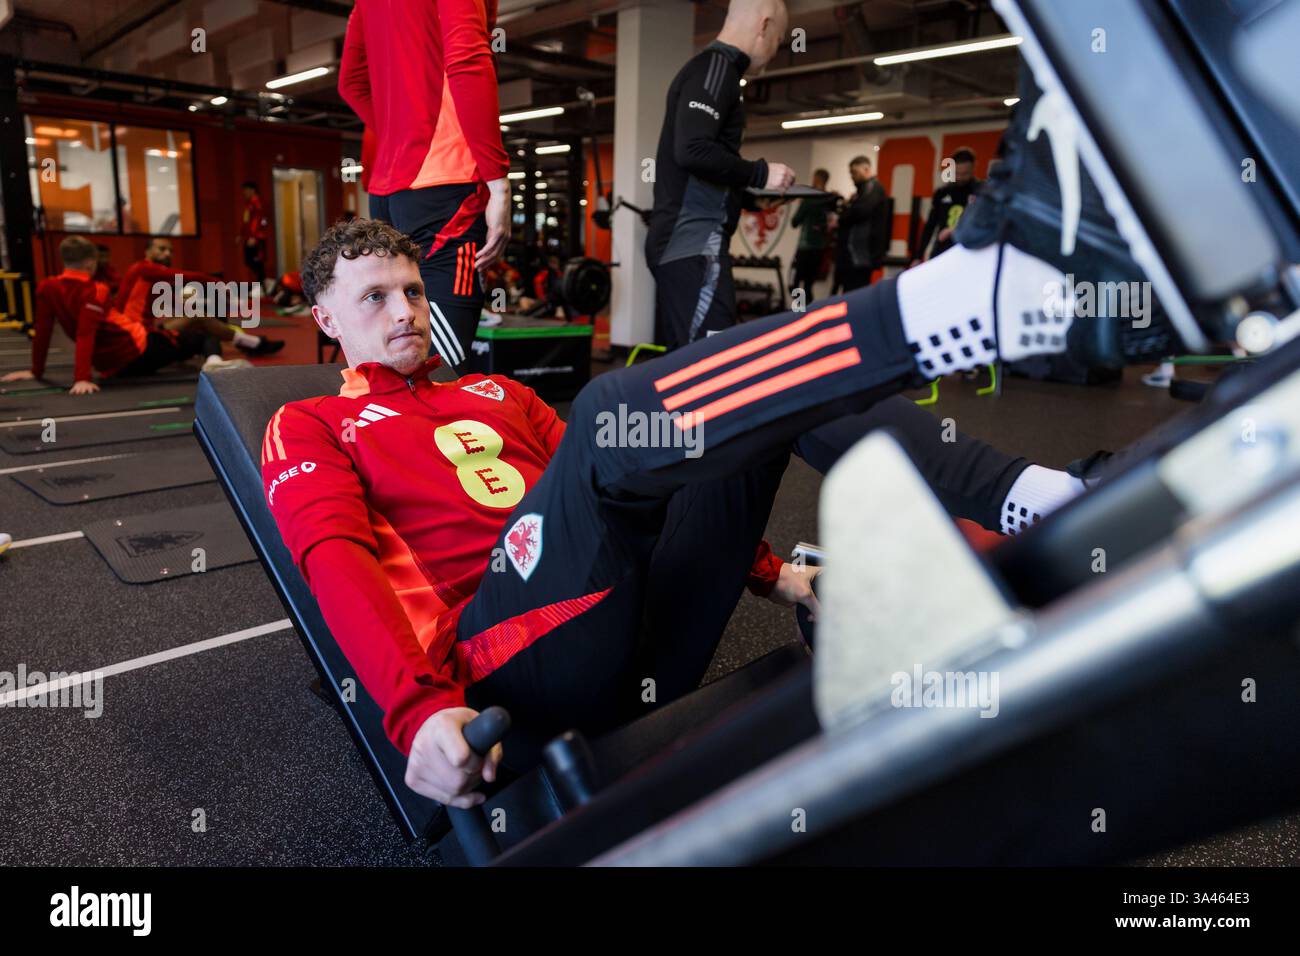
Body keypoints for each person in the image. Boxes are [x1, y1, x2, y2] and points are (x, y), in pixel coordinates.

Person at [262, 191, 1141, 804]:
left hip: (638, 628)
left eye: (412, 290)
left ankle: (1031, 494)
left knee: (750, 409)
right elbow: (334, 561)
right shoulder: (310, 423)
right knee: (613, 413)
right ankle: (924, 309)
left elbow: (649, 486)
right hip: (515, 668)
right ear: (328, 320)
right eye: (373, 298)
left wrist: (772, 578)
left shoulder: (497, 394)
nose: (405, 311)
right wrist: (417, 714)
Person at [339, 0, 511, 371]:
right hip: (445, 181)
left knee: (395, 349)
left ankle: (376, 426)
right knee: (438, 364)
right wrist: (499, 181)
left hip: (388, 189)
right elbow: (467, 58)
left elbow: (350, 82)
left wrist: (398, 134)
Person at [645, 0, 797, 350]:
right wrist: (759, 173)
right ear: (764, 25)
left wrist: (748, 197)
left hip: (691, 240)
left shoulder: (719, 72)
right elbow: (692, 150)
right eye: (779, 36)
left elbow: (701, 167)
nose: (776, 48)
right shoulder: (716, 68)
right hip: (692, 241)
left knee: (688, 362)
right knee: (714, 362)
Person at [1, 237, 247, 396]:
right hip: (138, 347)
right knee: (200, 331)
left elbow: (43, 330)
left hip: (115, 361)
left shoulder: (46, 287)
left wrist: (36, 370)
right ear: (90, 263)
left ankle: (242, 346)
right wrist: (82, 378)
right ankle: (232, 352)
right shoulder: (97, 288)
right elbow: (85, 333)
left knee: (193, 326)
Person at [117, 237, 283, 355]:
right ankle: (250, 343)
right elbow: (191, 277)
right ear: (147, 251)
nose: (167, 254)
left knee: (198, 317)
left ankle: (243, 344)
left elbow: (172, 304)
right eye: (162, 249)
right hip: (135, 336)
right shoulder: (145, 269)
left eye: (170, 251)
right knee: (199, 319)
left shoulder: (150, 275)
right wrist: (217, 283)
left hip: (141, 331)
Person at [912, 147, 982, 264]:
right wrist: (918, 256)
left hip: (969, 251)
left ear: (974, 167)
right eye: (957, 173)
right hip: (943, 250)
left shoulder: (982, 192)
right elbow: (930, 225)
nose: (960, 177)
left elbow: (986, 224)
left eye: (965, 174)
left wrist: (955, 230)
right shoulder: (942, 192)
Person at [833, 155, 889, 293]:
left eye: (855, 173)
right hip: (852, 257)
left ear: (866, 169)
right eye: (851, 173)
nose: (852, 177)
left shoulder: (873, 188)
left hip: (860, 257)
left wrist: (843, 216)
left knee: (855, 296)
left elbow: (861, 211)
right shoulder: (862, 191)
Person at [790, 168, 834, 302]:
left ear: (817, 179)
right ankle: (807, 316)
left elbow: (795, 221)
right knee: (809, 283)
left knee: (798, 282)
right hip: (820, 247)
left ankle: (798, 314)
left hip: (806, 246)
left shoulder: (809, 199)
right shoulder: (829, 199)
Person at [238, 181, 269, 290]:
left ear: (252, 190)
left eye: (245, 190)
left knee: (256, 261)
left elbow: (259, 220)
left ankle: (262, 284)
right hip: (249, 237)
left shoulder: (257, 203)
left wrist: (254, 237)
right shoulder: (249, 204)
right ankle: (263, 284)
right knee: (250, 261)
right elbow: (246, 221)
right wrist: (241, 235)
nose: (244, 193)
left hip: (256, 238)